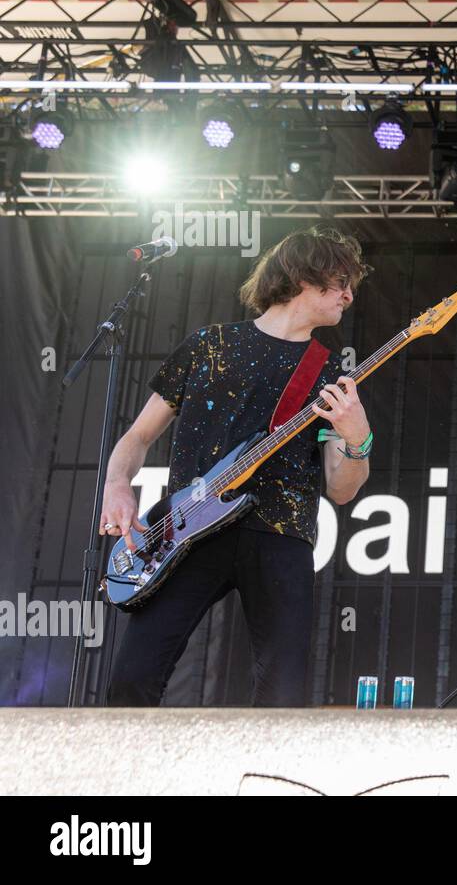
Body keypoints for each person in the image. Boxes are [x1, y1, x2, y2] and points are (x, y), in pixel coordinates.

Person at [101, 225, 373, 706]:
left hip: (279, 537)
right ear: (301, 276)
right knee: (132, 680)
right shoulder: (207, 347)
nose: (350, 295)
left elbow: (343, 488)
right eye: (340, 280)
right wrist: (118, 485)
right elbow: (137, 437)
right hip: (186, 532)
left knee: (283, 694)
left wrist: (357, 439)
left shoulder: (331, 374)